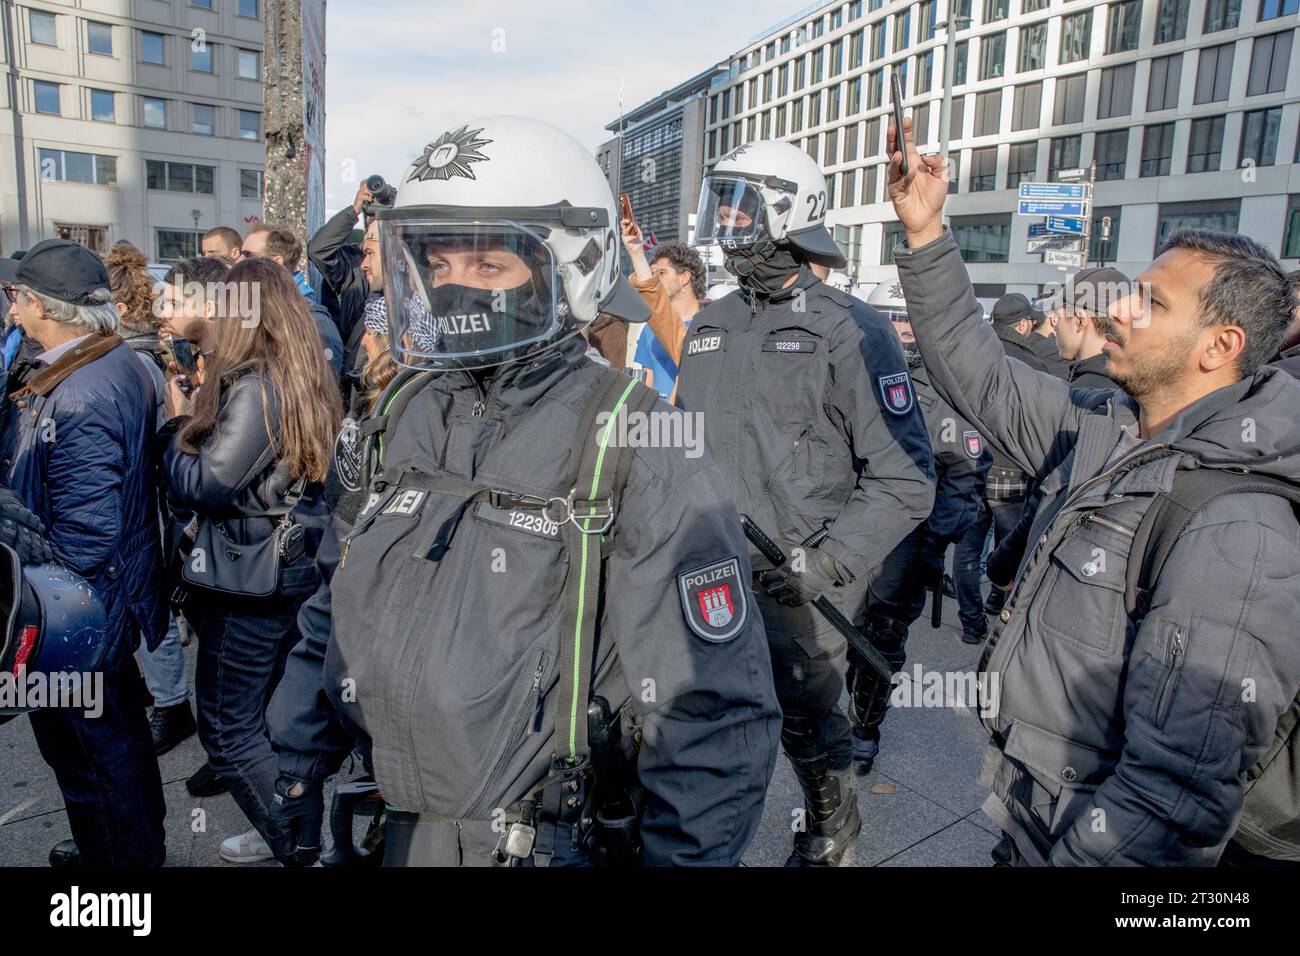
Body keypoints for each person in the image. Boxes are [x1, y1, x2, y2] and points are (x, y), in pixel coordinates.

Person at [267, 116, 781, 868]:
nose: (451, 287)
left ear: (568, 269)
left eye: (487, 265)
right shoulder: (400, 417)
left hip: (536, 842)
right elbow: (334, 602)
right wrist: (296, 763)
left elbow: (712, 717)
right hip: (391, 827)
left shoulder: (638, 444)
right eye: (436, 262)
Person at [887, 112, 1300, 865]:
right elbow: (976, 370)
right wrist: (926, 233)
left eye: (1152, 303)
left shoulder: (1240, 525)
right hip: (1030, 815)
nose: (1117, 309)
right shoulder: (1106, 429)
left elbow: (1171, 799)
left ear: (1221, 346)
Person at [676, 139, 936, 865]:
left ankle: (830, 832)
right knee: (703, 718)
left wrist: (826, 564)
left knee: (809, 724)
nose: (724, 220)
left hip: (799, 578)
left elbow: (907, 477)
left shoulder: (853, 328)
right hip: (706, 570)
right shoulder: (709, 323)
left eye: (740, 204)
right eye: (719, 202)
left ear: (789, 211)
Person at [162, 257, 342, 864]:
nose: (211, 314)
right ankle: (292, 836)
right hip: (281, 573)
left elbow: (208, 484)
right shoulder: (297, 372)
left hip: (250, 583)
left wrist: (176, 425)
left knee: (228, 730)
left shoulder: (261, 383)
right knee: (273, 726)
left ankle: (297, 846)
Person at [0, 239, 168, 867]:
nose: (12, 312)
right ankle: (123, 845)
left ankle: (120, 870)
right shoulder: (98, 363)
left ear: (45, 305)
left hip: (78, 610)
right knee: (110, 738)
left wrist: (43, 622)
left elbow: (87, 533)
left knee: (90, 749)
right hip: (95, 602)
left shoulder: (84, 389)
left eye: (17, 297)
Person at [104, 241, 198, 755]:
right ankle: (164, 697)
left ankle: (172, 704)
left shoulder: (135, 361)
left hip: (150, 505)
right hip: (149, 502)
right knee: (148, 606)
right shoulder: (141, 356)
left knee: (151, 607)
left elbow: (163, 439)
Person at [242, 224, 345, 379]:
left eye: (248, 255)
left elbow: (324, 385)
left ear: (276, 262)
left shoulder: (314, 319)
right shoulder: (254, 310)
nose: (238, 261)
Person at [620, 229, 704, 401]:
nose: (656, 279)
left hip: (693, 420)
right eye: (653, 273)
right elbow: (647, 383)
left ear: (685, 278)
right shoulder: (649, 330)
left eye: (662, 273)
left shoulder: (710, 326)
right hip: (657, 421)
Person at [307, 181, 375, 359]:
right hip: (357, 369)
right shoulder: (354, 263)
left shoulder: (407, 263)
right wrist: (354, 211)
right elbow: (318, 249)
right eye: (372, 220)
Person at [1051, 267, 1130, 391]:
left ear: (1079, 320)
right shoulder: (1134, 387)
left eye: (1059, 317)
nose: (1054, 326)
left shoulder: (1075, 398)